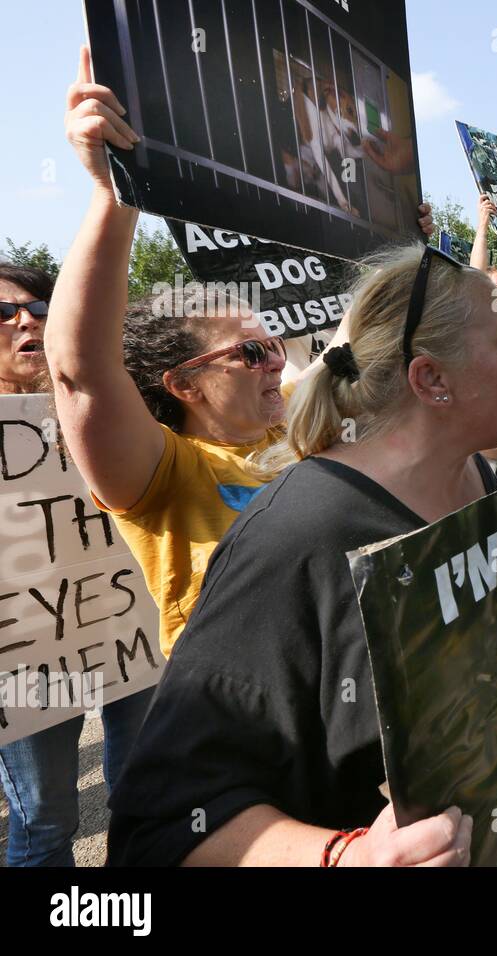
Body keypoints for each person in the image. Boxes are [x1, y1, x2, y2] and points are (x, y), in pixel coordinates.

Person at [107, 243, 497, 866]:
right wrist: (348, 858)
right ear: (430, 379)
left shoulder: (475, 477)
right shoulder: (297, 538)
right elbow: (162, 826)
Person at [47, 48, 433, 659]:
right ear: (184, 385)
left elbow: (355, 330)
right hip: (248, 733)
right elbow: (81, 375)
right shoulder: (165, 477)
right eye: (251, 353)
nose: (279, 363)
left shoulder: (292, 411)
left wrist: (402, 245)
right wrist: (114, 191)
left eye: (275, 345)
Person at [0, 263, 154, 866]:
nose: (25, 320)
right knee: (45, 820)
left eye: (39, 308)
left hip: (126, 628)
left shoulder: (105, 404)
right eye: (5, 313)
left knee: (145, 789)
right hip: (26, 652)